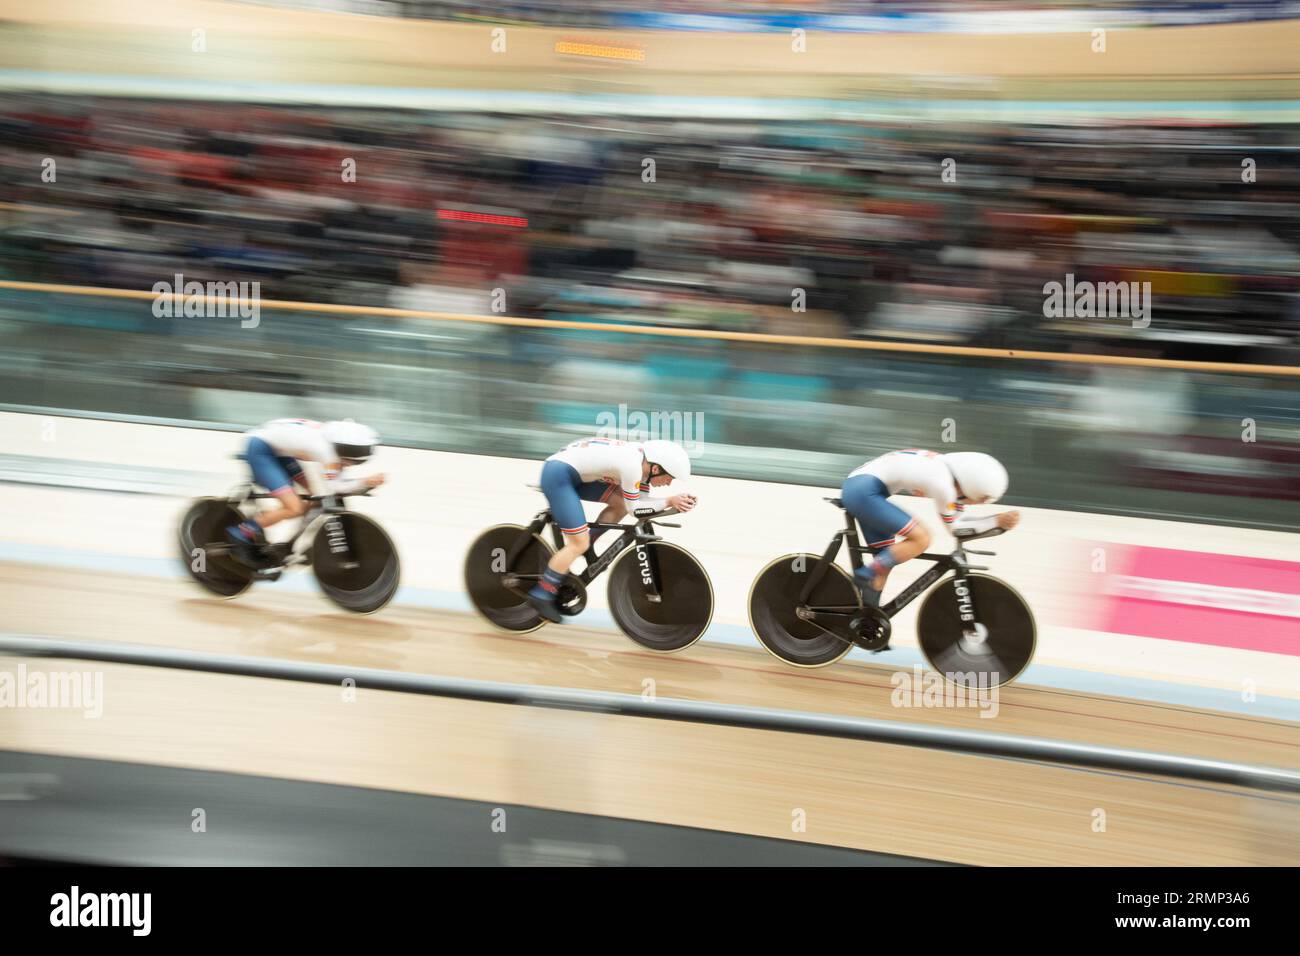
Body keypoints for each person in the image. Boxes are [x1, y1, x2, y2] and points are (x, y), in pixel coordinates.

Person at [527, 437, 698, 622]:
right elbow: (636, 510)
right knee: (578, 543)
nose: (668, 483)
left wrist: (673, 502)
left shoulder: (643, 465)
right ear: (656, 469)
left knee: (620, 504)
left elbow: (637, 503)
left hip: (574, 471)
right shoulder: (633, 467)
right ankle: (541, 593)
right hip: (559, 475)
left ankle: (586, 544)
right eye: (669, 478)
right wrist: (670, 500)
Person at [841, 449, 1019, 604]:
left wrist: (997, 522)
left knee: (886, 558)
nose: (978, 503)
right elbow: (956, 529)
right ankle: (863, 575)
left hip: (862, 488)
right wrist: (996, 521)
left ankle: (867, 621)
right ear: (972, 486)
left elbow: (960, 521)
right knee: (922, 538)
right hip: (863, 493)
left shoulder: (945, 471)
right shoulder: (943, 485)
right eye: (981, 499)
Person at [226, 418, 386, 568]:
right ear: (346, 449)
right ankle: (242, 531)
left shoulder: (332, 442)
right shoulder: (325, 450)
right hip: (261, 450)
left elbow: (336, 482)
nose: (353, 464)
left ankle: (288, 544)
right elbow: (336, 486)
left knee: (315, 497)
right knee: (294, 508)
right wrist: (364, 482)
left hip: (278, 450)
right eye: (355, 460)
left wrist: (360, 484)